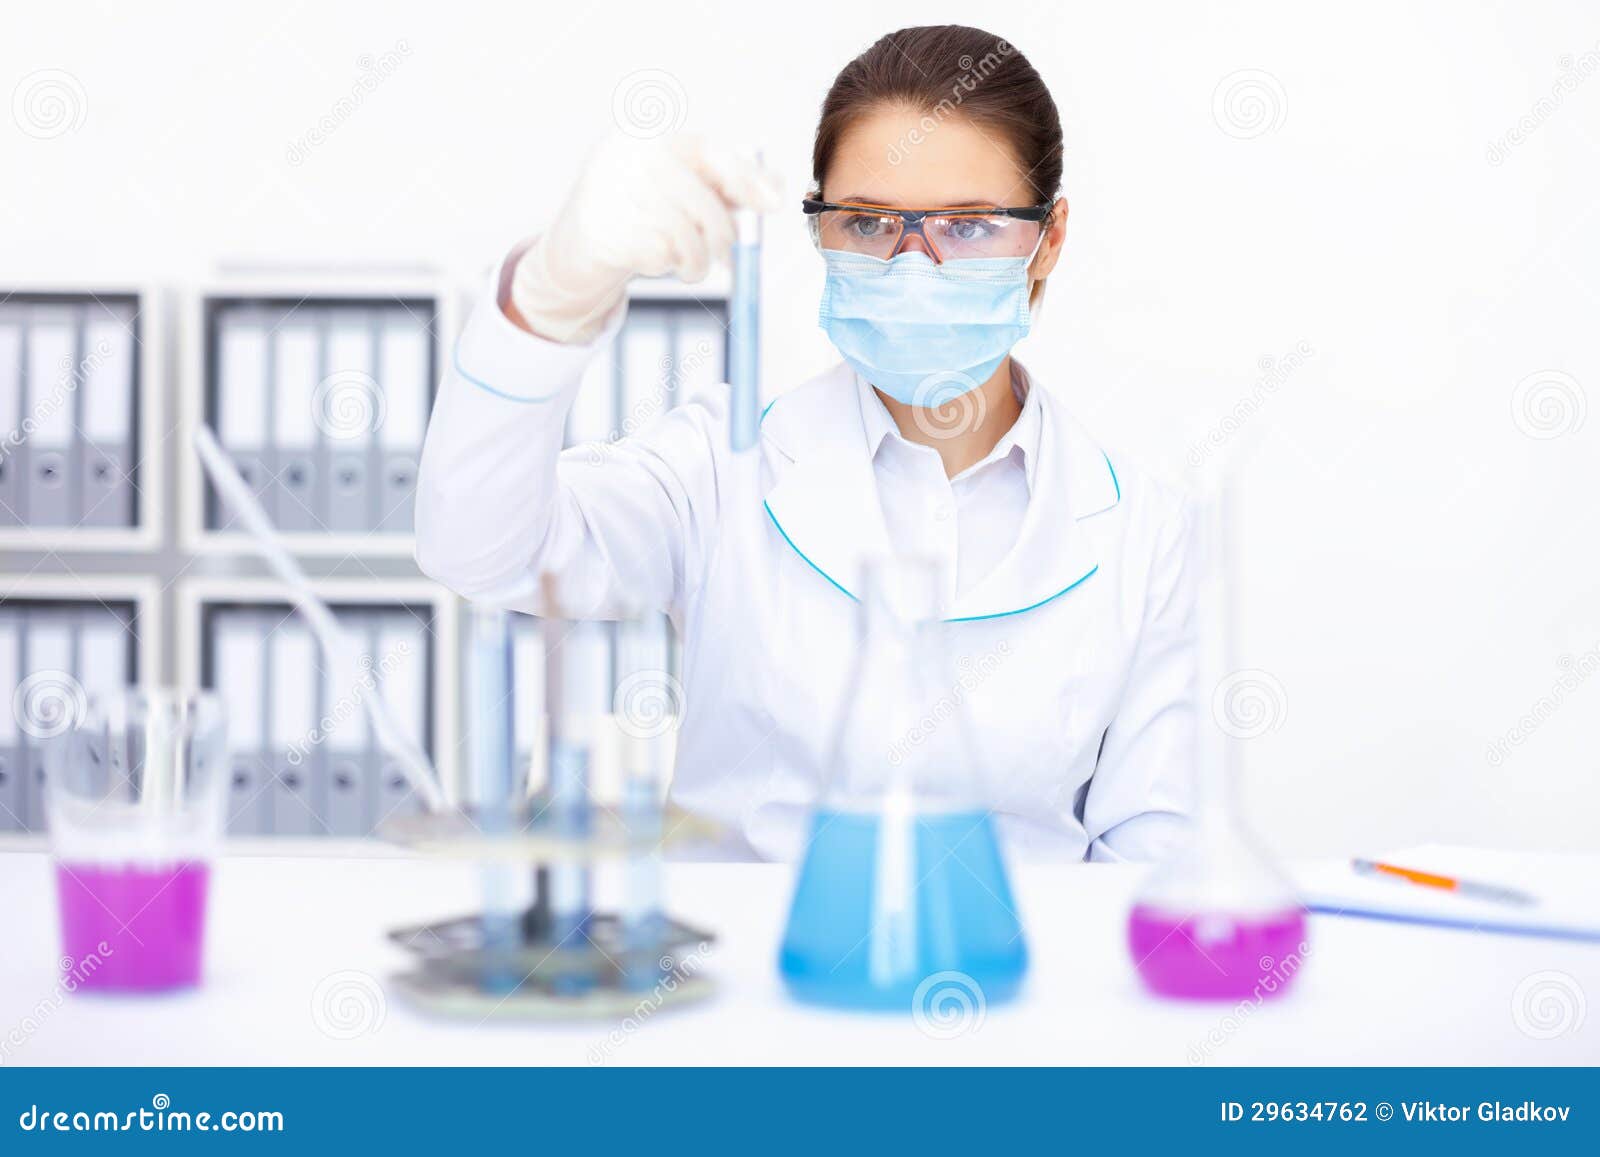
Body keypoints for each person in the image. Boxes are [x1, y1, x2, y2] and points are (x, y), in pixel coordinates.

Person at [416, 24, 1195, 861]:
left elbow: (1155, 859)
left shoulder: (1140, 531)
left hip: (1011, 979)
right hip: (746, 984)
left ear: (1050, 237)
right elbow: (479, 551)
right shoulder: (723, 465)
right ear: (820, 226)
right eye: (867, 224)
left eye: (968, 227)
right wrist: (551, 298)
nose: (912, 266)